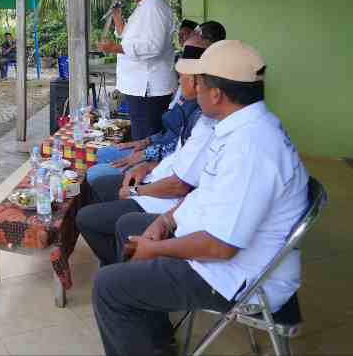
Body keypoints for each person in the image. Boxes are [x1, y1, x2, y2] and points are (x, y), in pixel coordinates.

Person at [92, 40, 309, 356]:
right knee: (130, 225)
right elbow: (205, 192)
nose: (193, 88)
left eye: (200, 83)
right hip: (215, 250)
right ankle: (155, 339)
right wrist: (166, 220)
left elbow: (220, 247)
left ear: (217, 94)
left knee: (109, 287)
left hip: (233, 276)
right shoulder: (240, 128)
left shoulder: (253, 148)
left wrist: (157, 248)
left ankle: (145, 329)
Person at [76, 43, 210, 266]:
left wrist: (137, 189)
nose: (178, 81)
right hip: (156, 174)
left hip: (161, 196)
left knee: (96, 183)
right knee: (98, 175)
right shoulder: (193, 110)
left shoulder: (203, 122)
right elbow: (174, 148)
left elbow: (180, 185)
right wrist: (147, 162)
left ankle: (118, 264)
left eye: (182, 77)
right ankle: (115, 255)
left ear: (198, 83)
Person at [85, 38, 210, 183]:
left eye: (182, 76)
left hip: (162, 162)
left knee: (95, 174)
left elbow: (179, 151)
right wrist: (145, 142)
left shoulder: (202, 112)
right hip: (157, 148)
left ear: (195, 80)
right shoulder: (186, 95)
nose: (179, 81)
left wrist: (145, 156)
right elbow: (170, 132)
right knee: (100, 154)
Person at [97, 0, 177, 141]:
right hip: (141, 86)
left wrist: (114, 48)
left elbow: (153, 47)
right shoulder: (145, 7)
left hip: (148, 88)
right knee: (143, 137)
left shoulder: (154, 8)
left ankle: (147, 167)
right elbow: (129, 36)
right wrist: (117, 17)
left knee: (146, 139)